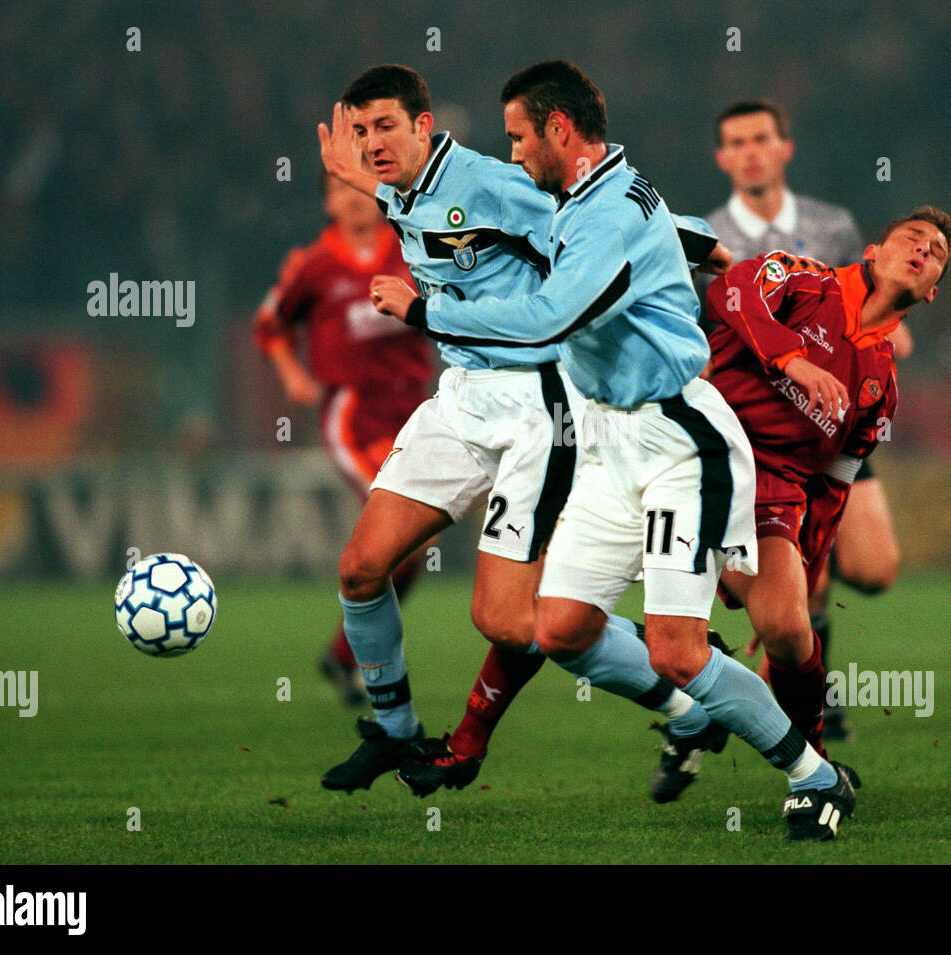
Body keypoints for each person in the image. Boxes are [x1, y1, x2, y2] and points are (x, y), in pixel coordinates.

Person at [375, 60, 859, 840]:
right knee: (558, 626)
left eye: (519, 136)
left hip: (678, 442)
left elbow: (545, 320)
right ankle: (716, 701)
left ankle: (815, 774)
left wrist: (424, 311)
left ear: (559, 130)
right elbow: (677, 233)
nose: (512, 154)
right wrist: (710, 253)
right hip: (608, 441)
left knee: (675, 650)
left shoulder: (603, 217)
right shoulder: (594, 192)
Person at [316, 64, 730, 796]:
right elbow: (402, 196)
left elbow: (598, 222)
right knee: (360, 567)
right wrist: (355, 176)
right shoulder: (399, 188)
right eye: (360, 131)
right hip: (461, 396)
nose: (372, 143)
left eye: (386, 126)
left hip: (539, 401)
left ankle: (685, 690)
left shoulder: (489, 183)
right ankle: (395, 730)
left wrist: (699, 243)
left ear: (424, 125)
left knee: (513, 622)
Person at [704, 208, 951, 768]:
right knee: (569, 612)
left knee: (790, 631)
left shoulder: (881, 388)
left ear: (933, 292)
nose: (922, 251)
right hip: (701, 446)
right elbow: (729, 291)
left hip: (772, 489)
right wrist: (792, 361)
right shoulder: (805, 278)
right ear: (871, 251)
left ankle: (813, 769)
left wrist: (805, 577)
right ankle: (696, 694)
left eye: (935, 253)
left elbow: (832, 493)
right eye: (911, 239)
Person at [706, 99, 911, 741]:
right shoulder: (705, 232)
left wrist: (888, 339)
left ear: (785, 147)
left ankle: (784, 643)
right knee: (798, 572)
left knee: (875, 570)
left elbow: (872, 303)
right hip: (755, 433)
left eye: (761, 138)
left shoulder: (832, 226)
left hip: (834, 420)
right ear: (722, 157)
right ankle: (811, 696)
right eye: (736, 142)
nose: (750, 151)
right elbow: (704, 322)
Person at [252, 169, 433, 706]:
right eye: (339, 193)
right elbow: (271, 323)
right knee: (399, 531)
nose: (352, 203)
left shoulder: (411, 249)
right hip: (354, 412)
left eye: (360, 192)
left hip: (416, 410)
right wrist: (292, 374)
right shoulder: (314, 265)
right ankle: (366, 661)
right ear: (328, 204)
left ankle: (343, 655)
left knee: (414, 550)